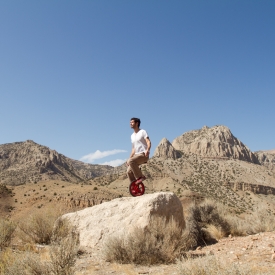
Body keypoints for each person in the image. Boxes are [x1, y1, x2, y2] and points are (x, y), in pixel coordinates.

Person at [126, 117, 151, 184]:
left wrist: (148, 150)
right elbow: (133, 149)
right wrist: (129, 158)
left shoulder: (143, 132)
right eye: (130, 122)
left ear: (137, 123)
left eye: (132, 122)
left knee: (131, 161)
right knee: (129, 171)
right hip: (136, 156)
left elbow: (148, 141)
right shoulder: (132, 136)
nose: (130, 123)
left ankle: (141, 176)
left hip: (143, 154)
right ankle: (135, 186)